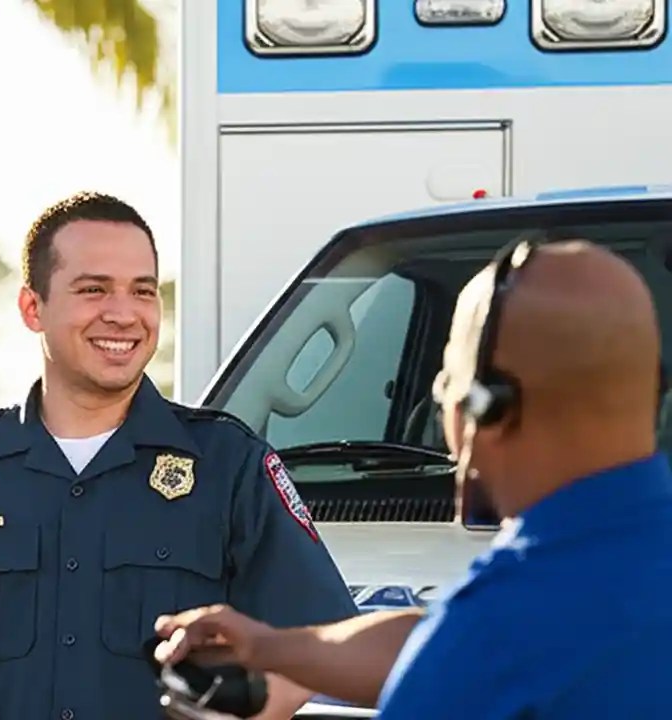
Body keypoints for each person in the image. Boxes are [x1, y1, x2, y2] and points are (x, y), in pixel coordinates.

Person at [0, 191, 360, 720]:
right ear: (32, 307)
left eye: (143, 291)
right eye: (94, 289)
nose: (124, 314)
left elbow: (310, 647)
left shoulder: (228, 466)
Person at [151, 238, 672, 718]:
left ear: (488, 410)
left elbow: (462, 647)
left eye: (445, 388)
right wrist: (268, 646)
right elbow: (432, 637)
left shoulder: (500, 631)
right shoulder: (580, 587)